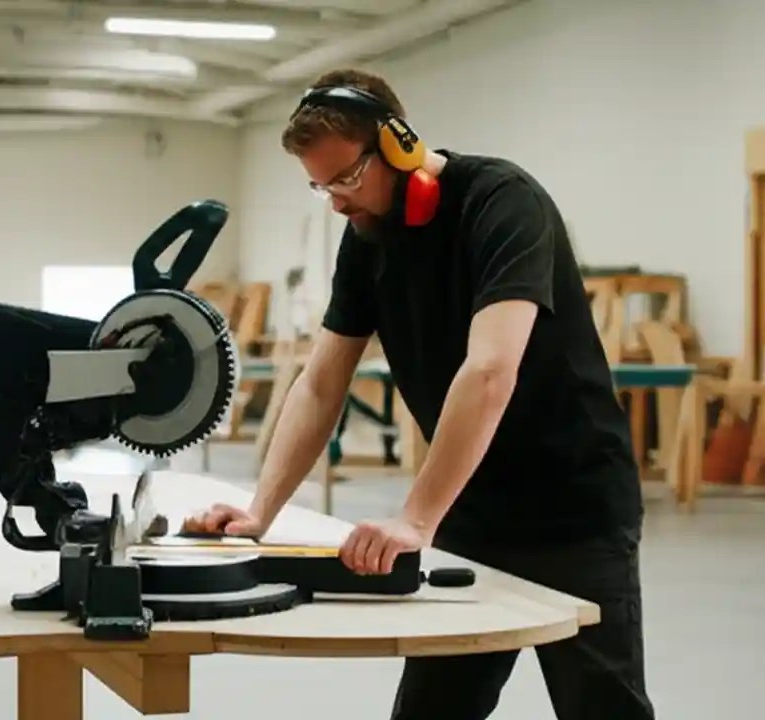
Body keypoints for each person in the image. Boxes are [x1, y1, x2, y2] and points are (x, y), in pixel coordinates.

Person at [184, 68, 655, 720]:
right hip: (471, 506)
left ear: (399, 145)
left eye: (346, 179)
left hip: (573, 507)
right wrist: (261, 511)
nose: (338, 203)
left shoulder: (502, 203)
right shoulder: (367, 240)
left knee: (601, 708)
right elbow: (321, 383)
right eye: (320, 187)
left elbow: (490, 370)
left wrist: (416, 518)